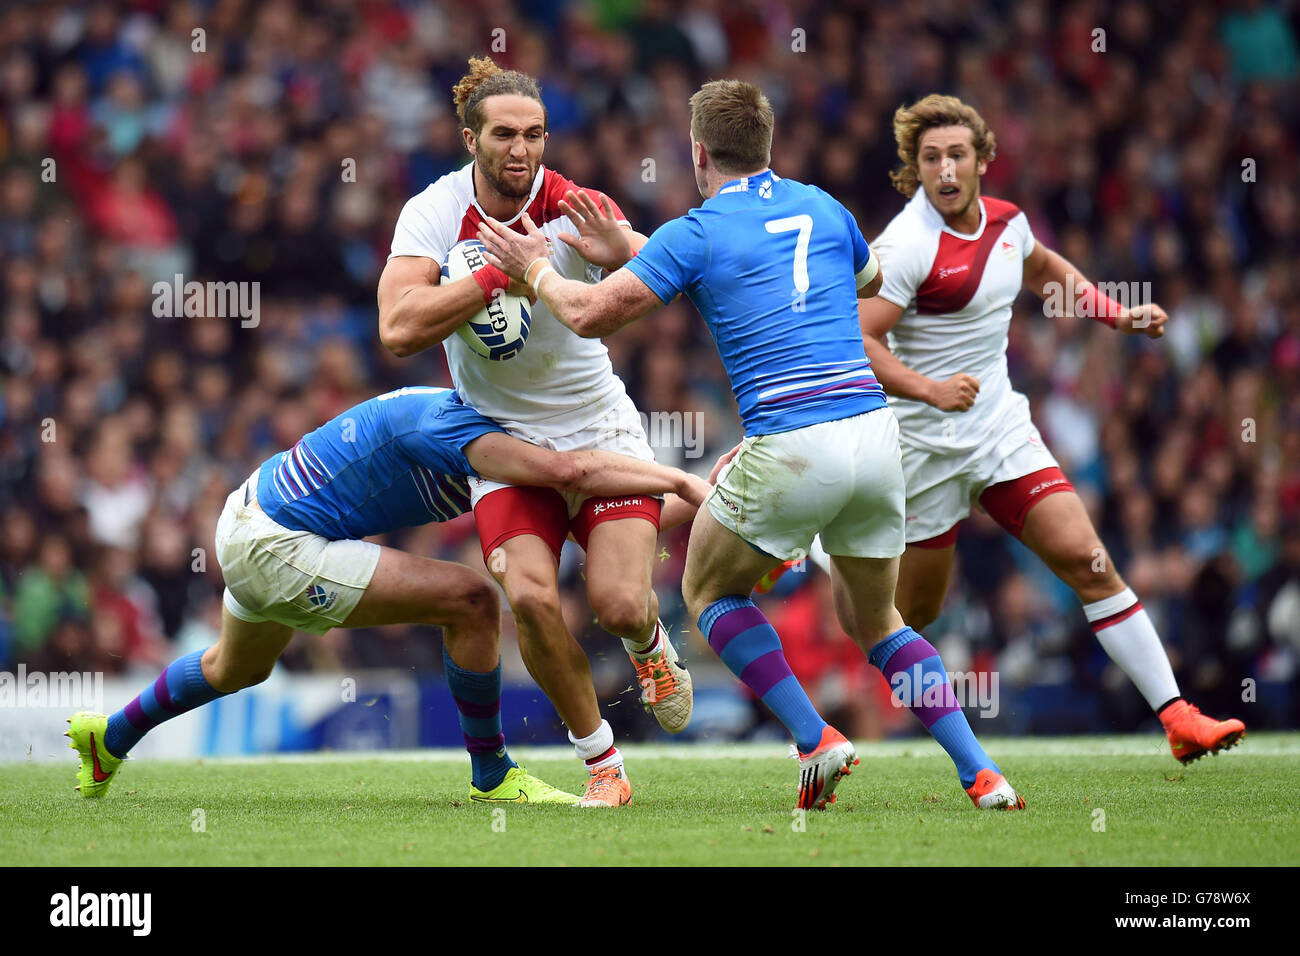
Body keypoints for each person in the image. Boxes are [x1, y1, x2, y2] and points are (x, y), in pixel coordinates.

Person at [479, 80, 1026, 811]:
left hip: (794, 442)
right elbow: (836, 281)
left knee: (706, 590)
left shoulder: (697, 229)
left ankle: (816, 738)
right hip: (873, 436)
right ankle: (981, 773)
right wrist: (632, 250)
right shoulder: (825, 207)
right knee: (878, 621)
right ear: (766, 146)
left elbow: (584, 314)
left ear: (698, 152)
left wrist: (535, 268)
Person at [67, 385, 708, 804]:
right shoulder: (461, 430)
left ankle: (110, 737)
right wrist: (683, 480)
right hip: (278, 543)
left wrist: (699, 506)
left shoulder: (472, 411)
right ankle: (492, 775)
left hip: (251, 513)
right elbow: (571, 475)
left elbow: (585, 521)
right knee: (473, 601)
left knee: (234, 666)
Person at [847, 93, 1245, 764]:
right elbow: (860, 339)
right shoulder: (906, 245)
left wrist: (1114, 314)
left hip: (999, 432)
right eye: (931, 158)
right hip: (921, 450)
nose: (945, 170)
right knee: (913, 619)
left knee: (1090, 563)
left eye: (957, 155)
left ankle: (1179, 718)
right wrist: (930, 390)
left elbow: (1042, 270)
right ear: (915, 169)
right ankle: (836, 575)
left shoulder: (1008, 224)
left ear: (982, 160)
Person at [377, 57, 688, 808]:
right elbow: (395, 329)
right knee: (531, 599)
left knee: (617, 604)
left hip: (599, 429)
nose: (522, 150)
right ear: (470, 139)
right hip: (504, 442)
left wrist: (625, 258)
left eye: (535, 135)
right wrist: (492, 276)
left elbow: (659, 275)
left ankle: (647, 644)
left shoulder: (574, 206)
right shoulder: (432, 213)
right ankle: (604, 768)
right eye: (505, 135)